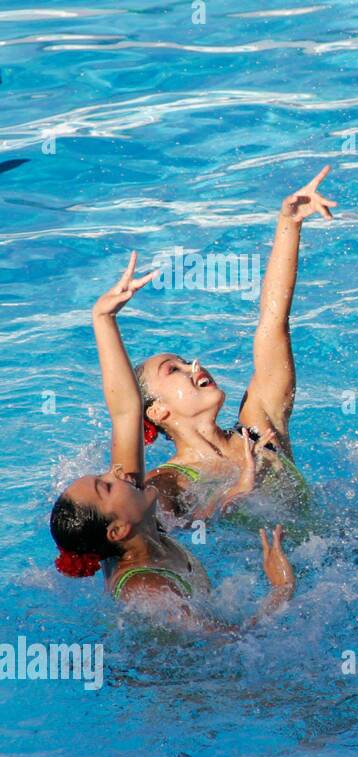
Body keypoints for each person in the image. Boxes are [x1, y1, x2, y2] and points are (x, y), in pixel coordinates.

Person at [49, 254, 296, 634]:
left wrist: (104, 318)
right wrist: (281, 590)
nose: (117, 470)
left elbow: (127, 412)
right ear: (116, 530)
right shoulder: (148, 590)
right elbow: (233, 642)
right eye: (106, 485)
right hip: (184, 691)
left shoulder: (141, 528)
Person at [136, 166, 337, 528]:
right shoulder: (166, 483)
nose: (193, 365)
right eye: (174, 370)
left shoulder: (260, 428)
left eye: (185, 361)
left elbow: (273, 325)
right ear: (158, 412)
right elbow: (160, 541)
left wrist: (289, 224)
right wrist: (241, 485)